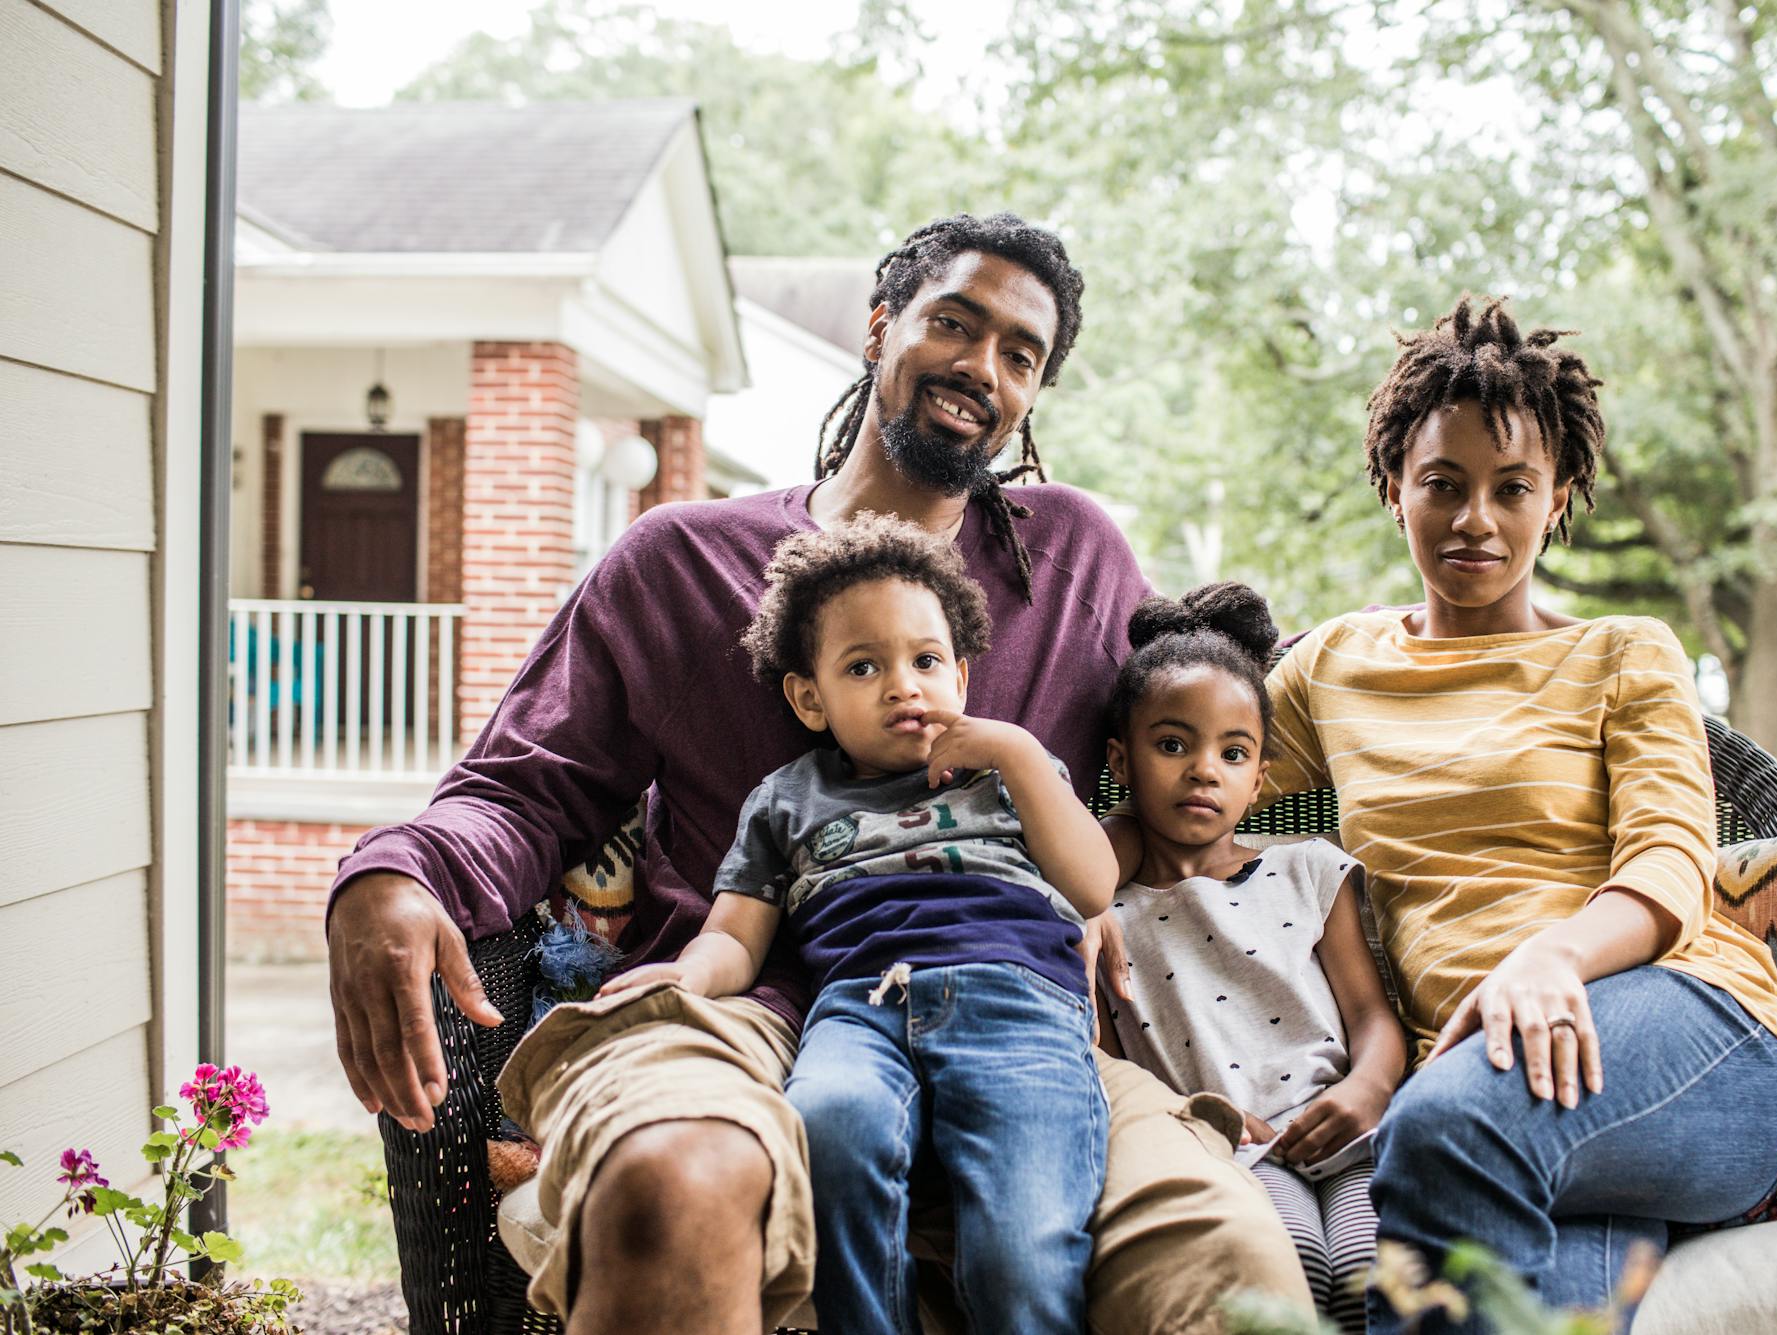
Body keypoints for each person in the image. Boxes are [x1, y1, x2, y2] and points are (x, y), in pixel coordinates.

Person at [325, 212, 1312, 1335]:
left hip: (1020, 1017)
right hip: (740, 1009)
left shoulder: (1071, 557)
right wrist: (391, 876)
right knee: (671, 1183)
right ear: (880, 326)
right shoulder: (679, 563)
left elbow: (1198, 723)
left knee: (1232, 1272)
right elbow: (522, 787)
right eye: (954, 322)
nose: (979, 367)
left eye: (1020, 355)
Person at [1254, 297, 1777, 1332]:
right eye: (1443, 485)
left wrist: (1550, 959)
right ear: (1392, 491)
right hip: (1519, 1090)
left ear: (1554, 500)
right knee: (1539, 1297)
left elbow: (1667, 862)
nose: (1476, 520)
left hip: (1695, 1030)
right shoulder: (1331, 666)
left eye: (1511, 488)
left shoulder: (1621, 652)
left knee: (1443, 1132)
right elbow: (1190, 786)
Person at [600, 514, 1115, 1333]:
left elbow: (1092, 887)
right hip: (861, 1008)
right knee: (830, 1129)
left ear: (964, 675)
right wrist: (688, 974)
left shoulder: (1012, 770)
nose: (903, 686)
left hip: (1019, 1002)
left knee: (1024, 1241)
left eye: (925, 660)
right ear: (810, 698)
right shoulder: (786, 799)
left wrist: (1017, 753)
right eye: (864, 666)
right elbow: (736, 934)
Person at [1097, 584, 1406, 1332]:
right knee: (1288, 1267)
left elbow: (1374, 1016)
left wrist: (1366, 1089)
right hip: (1228, 1149)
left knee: (1375, 1275)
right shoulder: (1107, 914)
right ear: (1121, 759)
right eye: (1173, 744)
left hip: (1347, 1127)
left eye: (1232, 753)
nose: (1205, 770)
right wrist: (1187, 1118)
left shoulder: (1307, 869)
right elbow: (1107, 1060)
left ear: (1258, 778)